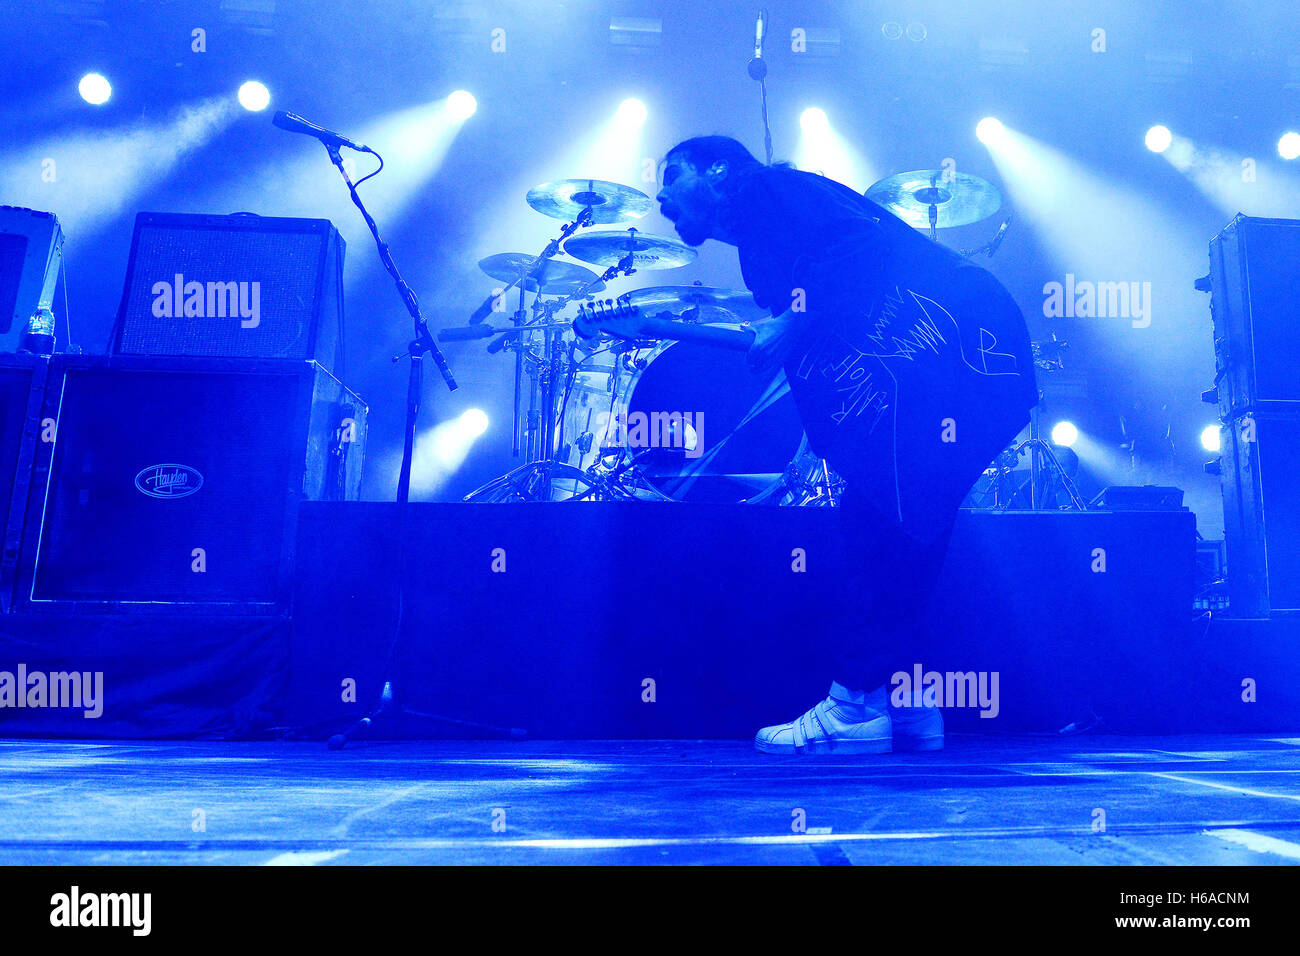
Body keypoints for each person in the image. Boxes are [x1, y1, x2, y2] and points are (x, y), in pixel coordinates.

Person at [655, 136, 1038, 754]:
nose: (660, 193)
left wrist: (791, 321)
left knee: (874, 527)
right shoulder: (763, 240)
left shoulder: (769, 192)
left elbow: (862, 249)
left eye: (673, 175)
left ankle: (855, 706)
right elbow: (833, 350)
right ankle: (908, 700)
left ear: (719, 169)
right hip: (947, 366)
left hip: (956, 350)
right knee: (904, 522)